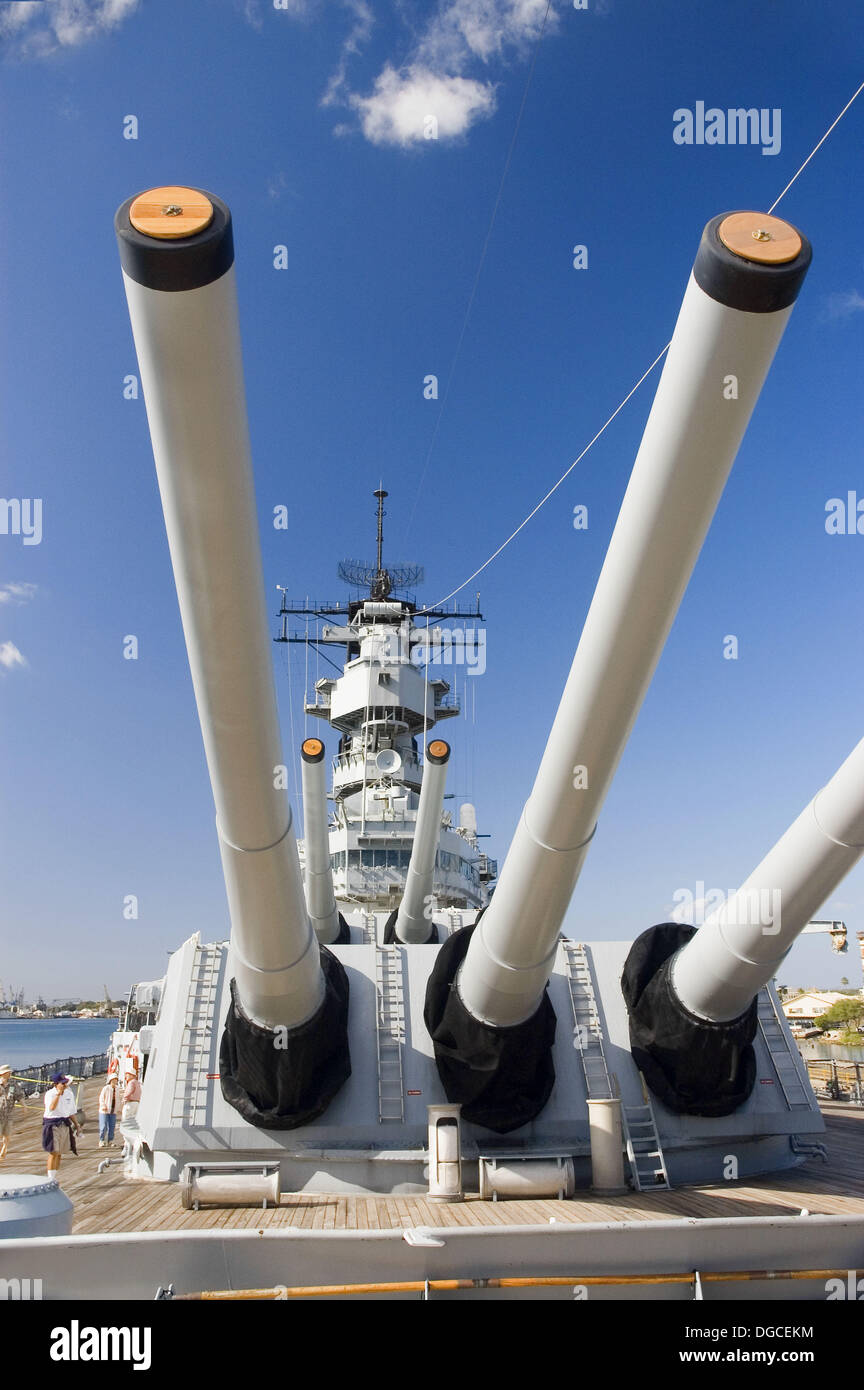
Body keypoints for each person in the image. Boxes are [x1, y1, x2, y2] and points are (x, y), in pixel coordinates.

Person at [42, 1073, 80, 1178]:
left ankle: (54, 1176)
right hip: (52, 1123)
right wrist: (58, 1094)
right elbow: (51, 1108)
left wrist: (77, 1125)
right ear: (56, 1084)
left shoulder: (69, 1094)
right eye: (62, 1083)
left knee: (59, 1153)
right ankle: (50, 1178)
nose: (64, 1085)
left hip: (64, 1123)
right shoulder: (50, 1094)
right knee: (53, 1151)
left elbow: (71, 1111)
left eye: (65, 1083)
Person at [0, 1064, 26, 1161]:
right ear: (3, 1074)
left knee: (7, 1134)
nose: (10, 1074)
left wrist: (24, 1105)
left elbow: (19, 1095)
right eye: (8, 1072)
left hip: (9, 1113)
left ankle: (4, 1149)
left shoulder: (13, 1083)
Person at [98, 1074, 120, 1147]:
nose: (115, 1081)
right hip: (104, 1110)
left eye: (116, 1080)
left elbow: (118, 1099)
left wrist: (118, 1108)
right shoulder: (106, 1088)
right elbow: (101, 1098)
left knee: (112, 1126)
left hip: (113, 1110)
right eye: (113, 1080)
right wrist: (103, 1105)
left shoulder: (117, 1089)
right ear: (110, 1081)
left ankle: (110, 1140)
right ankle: (101, 1140)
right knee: (103, 1126)